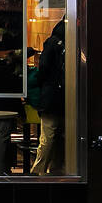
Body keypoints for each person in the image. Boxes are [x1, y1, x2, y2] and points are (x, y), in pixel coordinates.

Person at [32, 20, 66, 175]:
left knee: (47, 137)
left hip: (50, 98)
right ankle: (58, 169)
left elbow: (43, 68)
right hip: (67, 98)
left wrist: (39, 84)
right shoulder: (72, 43)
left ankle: (38, 171)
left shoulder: (51, 43)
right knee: (62, 136)